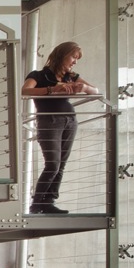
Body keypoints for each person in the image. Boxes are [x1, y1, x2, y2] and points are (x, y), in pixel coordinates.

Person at [22, 40, 101, 215]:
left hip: (70, 120)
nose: (75, 62)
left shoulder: (71, 77)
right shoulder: (39, 75)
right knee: (53, 164)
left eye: (77, 58)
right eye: (73, 57)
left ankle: (48, 202)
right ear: (62, 55)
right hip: (49, 120)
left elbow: (96, 91)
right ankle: (36, 204)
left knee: (61, 165)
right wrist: (52, 90)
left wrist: (83, 87)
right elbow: (25, 91)